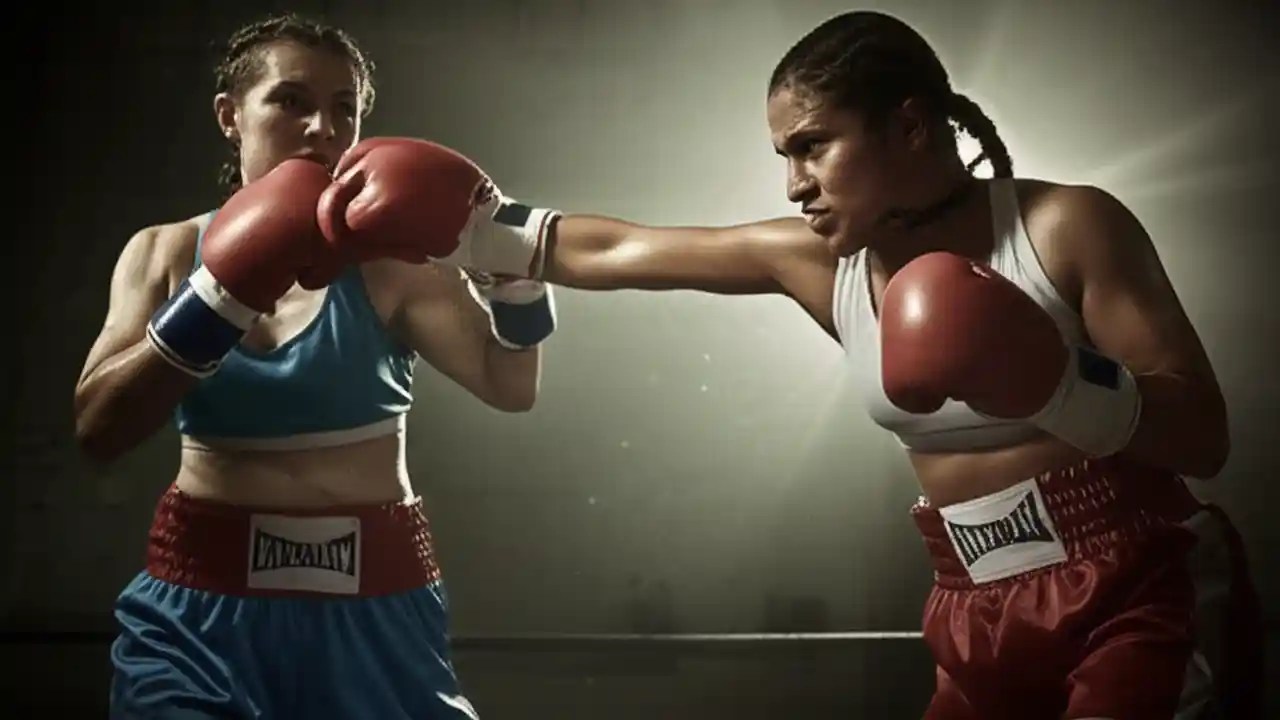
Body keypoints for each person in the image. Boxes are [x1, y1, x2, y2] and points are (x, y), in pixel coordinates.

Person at [333, 10, 1264, 720]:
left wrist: (1061, 383)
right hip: (971, 602)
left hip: (1135, 584)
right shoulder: (823, 264)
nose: (793, 183)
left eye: (813, 145)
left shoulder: (1066, 225)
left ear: (908, 128)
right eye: (783, 155)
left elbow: (1205, 434)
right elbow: (617, 251)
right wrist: (474, 230)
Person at [73, 13, 558, 719]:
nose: (322, 129)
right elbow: (97, 427)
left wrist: (517, 285)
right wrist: (219, 295)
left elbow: (512, 385)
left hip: (375, 605)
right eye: (291, 101)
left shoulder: (391, 266)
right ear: (230, 116)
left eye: (344, 109)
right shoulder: (164, 253)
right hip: (199, 612)